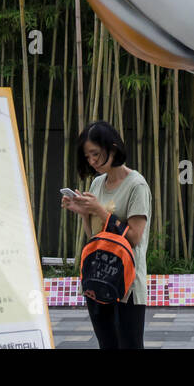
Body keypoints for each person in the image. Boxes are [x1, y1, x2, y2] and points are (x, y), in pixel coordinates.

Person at [62, 122, 152, 349]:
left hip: (126, 284)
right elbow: (95, 237)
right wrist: (84, 212)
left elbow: (134, 237)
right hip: (97, 277)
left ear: (112, 148)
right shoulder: (97, 183)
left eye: (95, 154)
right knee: (107, 345)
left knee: (129, 345)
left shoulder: (136, 185)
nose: (91, 161)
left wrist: (100, 211)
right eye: (87, 156)